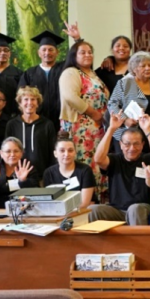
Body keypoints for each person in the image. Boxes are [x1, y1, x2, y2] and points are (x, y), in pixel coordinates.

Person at [90, 113, 150, 225]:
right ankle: (100, 243)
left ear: (142, 144)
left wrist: (147, 129)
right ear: (120, 144)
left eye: (136, 144)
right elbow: (99, 159)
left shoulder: (147, 158)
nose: (132, 148)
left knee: (134, 209)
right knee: (93, 210)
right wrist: (111, 129)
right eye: (127, 144)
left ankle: (138, 243)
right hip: (118, 210)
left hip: (142, 209)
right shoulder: (114, 159)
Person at [59, 40, 109, 197]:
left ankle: (100, 202)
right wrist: (94, 113)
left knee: (98, 164)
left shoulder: (92, 74)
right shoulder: (71, 72)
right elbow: (70, 97)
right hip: (80, 129)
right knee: (84, 165)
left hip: (98, 129)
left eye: (90, 52)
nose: (87, 55)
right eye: (82, 52)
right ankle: (85, 202)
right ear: (74, 56)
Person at [5, 86, 57, 175]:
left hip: (42, 175)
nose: (29, 103)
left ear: (37, 103)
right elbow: (7, 151)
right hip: (17, 175)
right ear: (20, 103)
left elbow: (53, 152)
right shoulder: (12, 124)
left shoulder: (47, 124)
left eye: (33, 99)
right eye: (26, 99)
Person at [19, 30, 67, 126]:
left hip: (62, 119)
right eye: (44, 49)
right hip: (37, 120)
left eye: (51, 49)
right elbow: (21, 96)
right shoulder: (30, 73)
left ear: (57, 52)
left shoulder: (64, 69)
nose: (47, 53)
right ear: (39, 53)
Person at [0, 137, 39, 208]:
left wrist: (23, 181)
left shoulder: (28, 167)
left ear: (22, 153)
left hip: (23, 209)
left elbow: (37, 194)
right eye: (8, 151)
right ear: (1, 153)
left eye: (16, 151)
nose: (12, 154)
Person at [43, 138, 96, 211]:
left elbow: (85, 203)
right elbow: (50, 201)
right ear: (55, 153)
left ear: (75, 153)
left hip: (83, 212)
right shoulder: (48, 173)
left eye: (70, 150)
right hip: (59, 213)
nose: (66, 154)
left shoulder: (85, 170)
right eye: (62, 151)